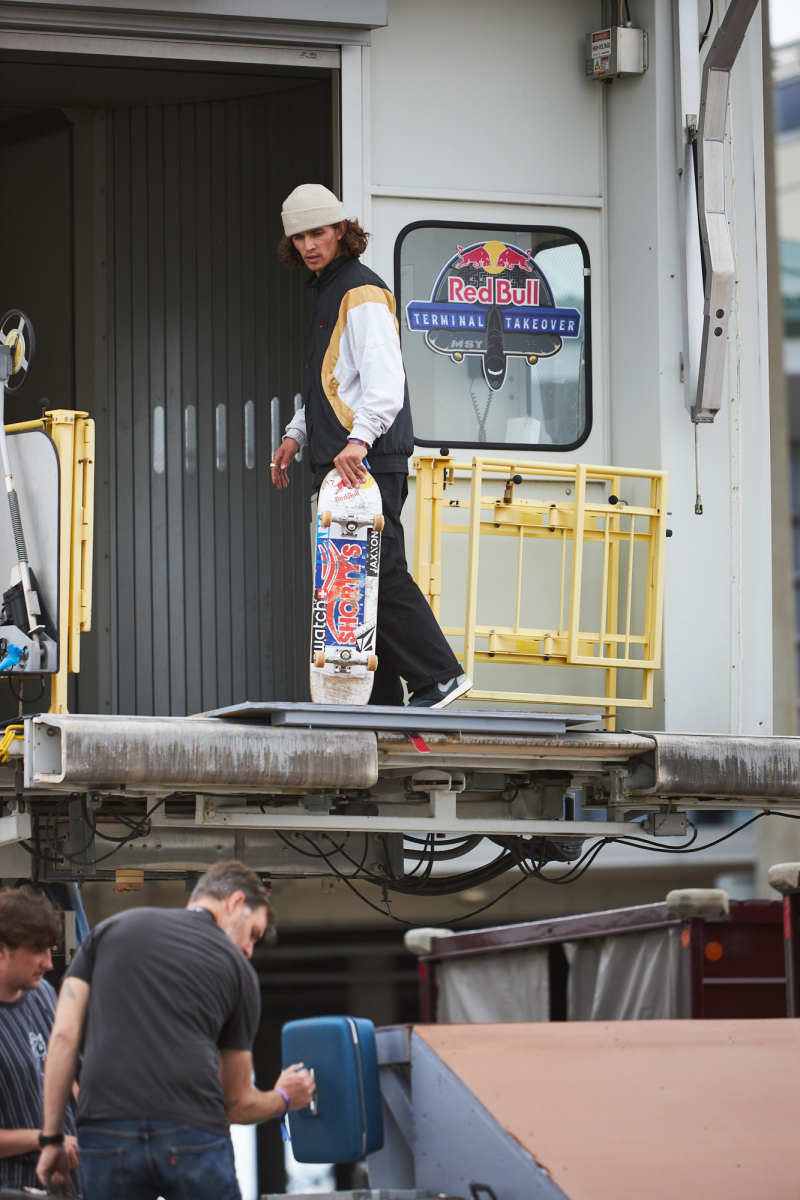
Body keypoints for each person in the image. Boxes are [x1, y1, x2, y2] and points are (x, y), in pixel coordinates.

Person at [271, 182, 472, 709]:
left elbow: (385, 382)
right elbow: (332, 383)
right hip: (344, 460)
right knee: (353, 584)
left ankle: (441, 676)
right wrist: (296, 435)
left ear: (341, 231)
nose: (309, 244)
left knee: (373, 574)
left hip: (366, 459)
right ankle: (379, 698)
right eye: (299, 237)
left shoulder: (359, 291)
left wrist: (359, 440)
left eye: (318, 232)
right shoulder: (329, 292)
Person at [36, 860, 315, 1200]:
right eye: (253, 934)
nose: (248, 950)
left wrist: (51, 1139)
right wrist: (285, 1098)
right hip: (192, 1134)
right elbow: (237, 1103)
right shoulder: (238, 971)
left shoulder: (109, 932)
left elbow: (63, 1038)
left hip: (107, 1134)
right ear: (235, 903)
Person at [0, 886, 79, 1191]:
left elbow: (65, 1073)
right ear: (3, 951)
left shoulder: (43, 994)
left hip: (67, 1182)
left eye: (51, 950)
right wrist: (46, 1138)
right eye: (38, 951)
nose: (49, 963)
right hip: (14, 1186)